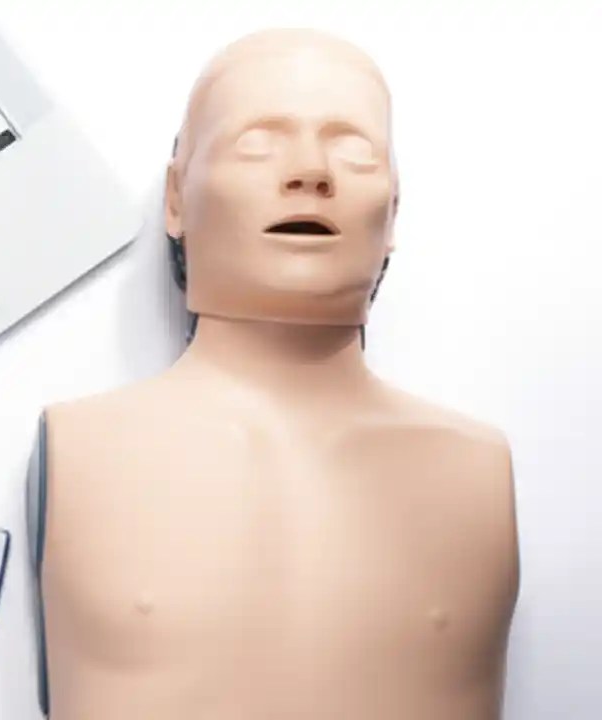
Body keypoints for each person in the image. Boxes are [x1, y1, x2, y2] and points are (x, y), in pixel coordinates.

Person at [27, 28, 520, 719]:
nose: (311, 171)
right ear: (176, 198)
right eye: (257, 142)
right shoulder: (83, 444)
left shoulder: (475, 466)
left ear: (395, 209)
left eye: (355, 149)